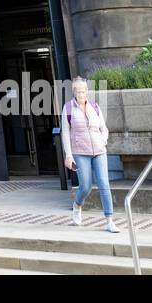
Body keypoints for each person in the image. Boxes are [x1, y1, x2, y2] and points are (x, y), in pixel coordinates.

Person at [61, 76, 119, 233]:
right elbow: (65, 134)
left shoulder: (95, 107)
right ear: (74, 92)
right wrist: (68, 155)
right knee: (85, 186)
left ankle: (109, 220)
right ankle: (77, 205)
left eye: (84, 91)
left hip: (99, 151)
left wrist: (103, 140)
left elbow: (104, 128)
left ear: (87, 91)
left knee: (104, 184)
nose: (82, 94)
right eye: (78, 91)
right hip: (80, 152)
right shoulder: (67, 109)